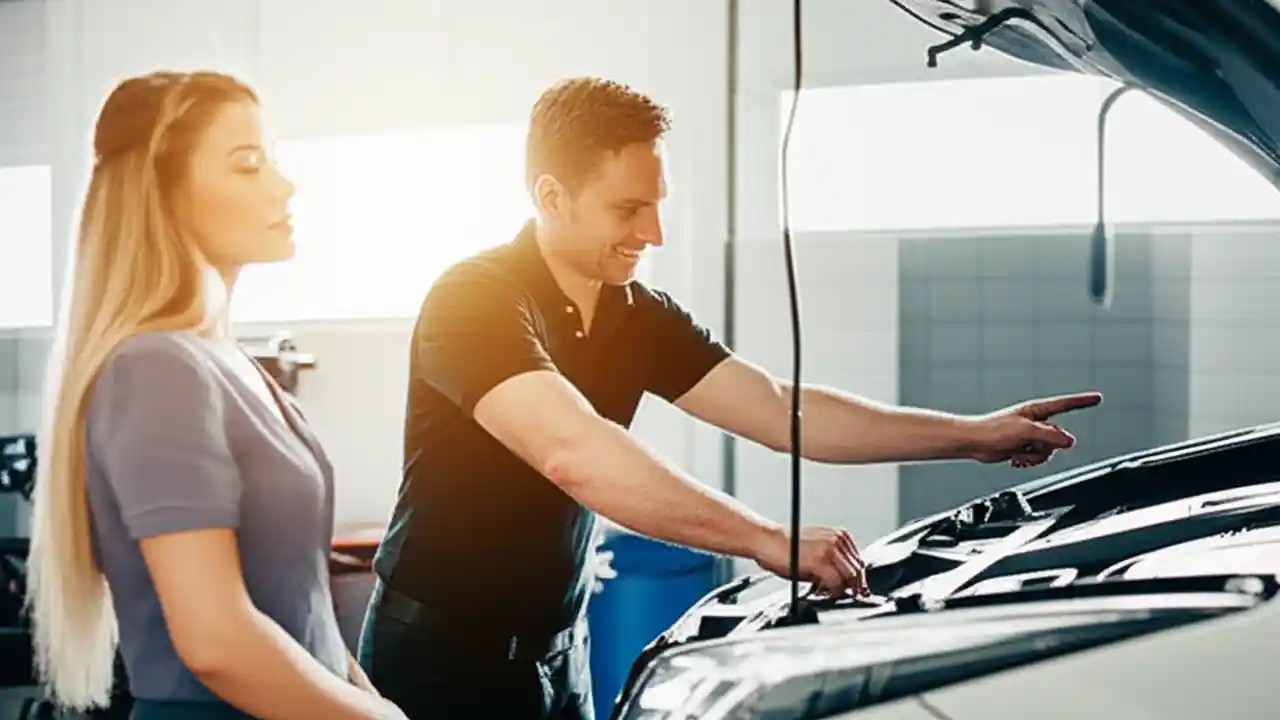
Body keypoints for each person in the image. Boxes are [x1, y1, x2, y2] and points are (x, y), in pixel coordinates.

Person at [357, 76, 1102, 719]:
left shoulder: (635, 314)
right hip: (439, 656)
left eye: (657, 204)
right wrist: (764, 538)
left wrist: (971, 436)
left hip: (558, 653)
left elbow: (779, 408)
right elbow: (571, 451)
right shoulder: (474, 297)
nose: (652, 231)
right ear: (551, 195)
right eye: (627, 209)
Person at [25, 71, 406, 720]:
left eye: (272, 161)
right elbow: (215, 642)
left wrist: (374, 705)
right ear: (162, 193)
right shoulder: (155, 368)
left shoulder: (228, 361)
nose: (284, 187)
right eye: (247, 165)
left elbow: (304, 608)